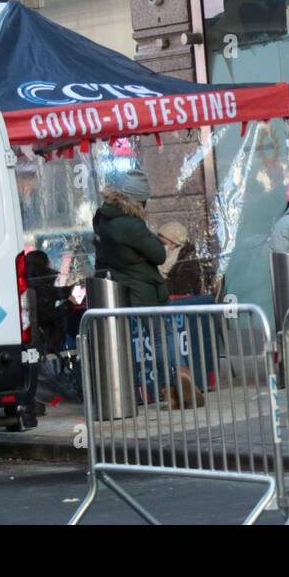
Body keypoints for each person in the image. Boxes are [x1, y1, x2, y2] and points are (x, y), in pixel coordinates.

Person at [93, 170, 203, 409]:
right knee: (164, 337)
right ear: (138, 199)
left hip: (125, 284)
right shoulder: (131, 224)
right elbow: (158, 252)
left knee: (159, 338)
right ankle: (180, 376)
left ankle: (171, 389)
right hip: (145, 288)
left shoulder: (102, 218)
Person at [157, 221, 205, 297]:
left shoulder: (188, 262)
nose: (160, 246)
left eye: (163, 243)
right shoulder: (167, 258)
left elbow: (181, 290)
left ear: (175, 243)